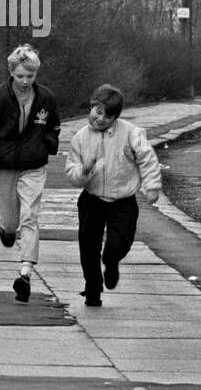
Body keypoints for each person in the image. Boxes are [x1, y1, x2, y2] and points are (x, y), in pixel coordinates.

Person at [0, 44, 61, 303]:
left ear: (36, 73)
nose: (25, 81)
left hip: (33, 166)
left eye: (30, 76)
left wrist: (47, 144)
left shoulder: (46, 98)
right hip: (3, 166)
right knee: (12, 221)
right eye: (20, 76)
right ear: (11, 73)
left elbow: (54, 126)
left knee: (31, 216)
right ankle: (6, 230)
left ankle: (25, 273)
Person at [64, 84, 161, 307]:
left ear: (115, 118)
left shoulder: (131, 133)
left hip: (123, 200)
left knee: (121, 242)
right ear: (92, 107)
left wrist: (152, 185)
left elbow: (147, 158)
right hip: (92, 198)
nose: (101, 119)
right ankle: (93, 289)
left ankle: (111, 260)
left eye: (108, 117)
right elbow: (72, 173)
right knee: (88, 246)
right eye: (98, 112)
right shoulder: (80, 138)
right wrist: (84, 172)